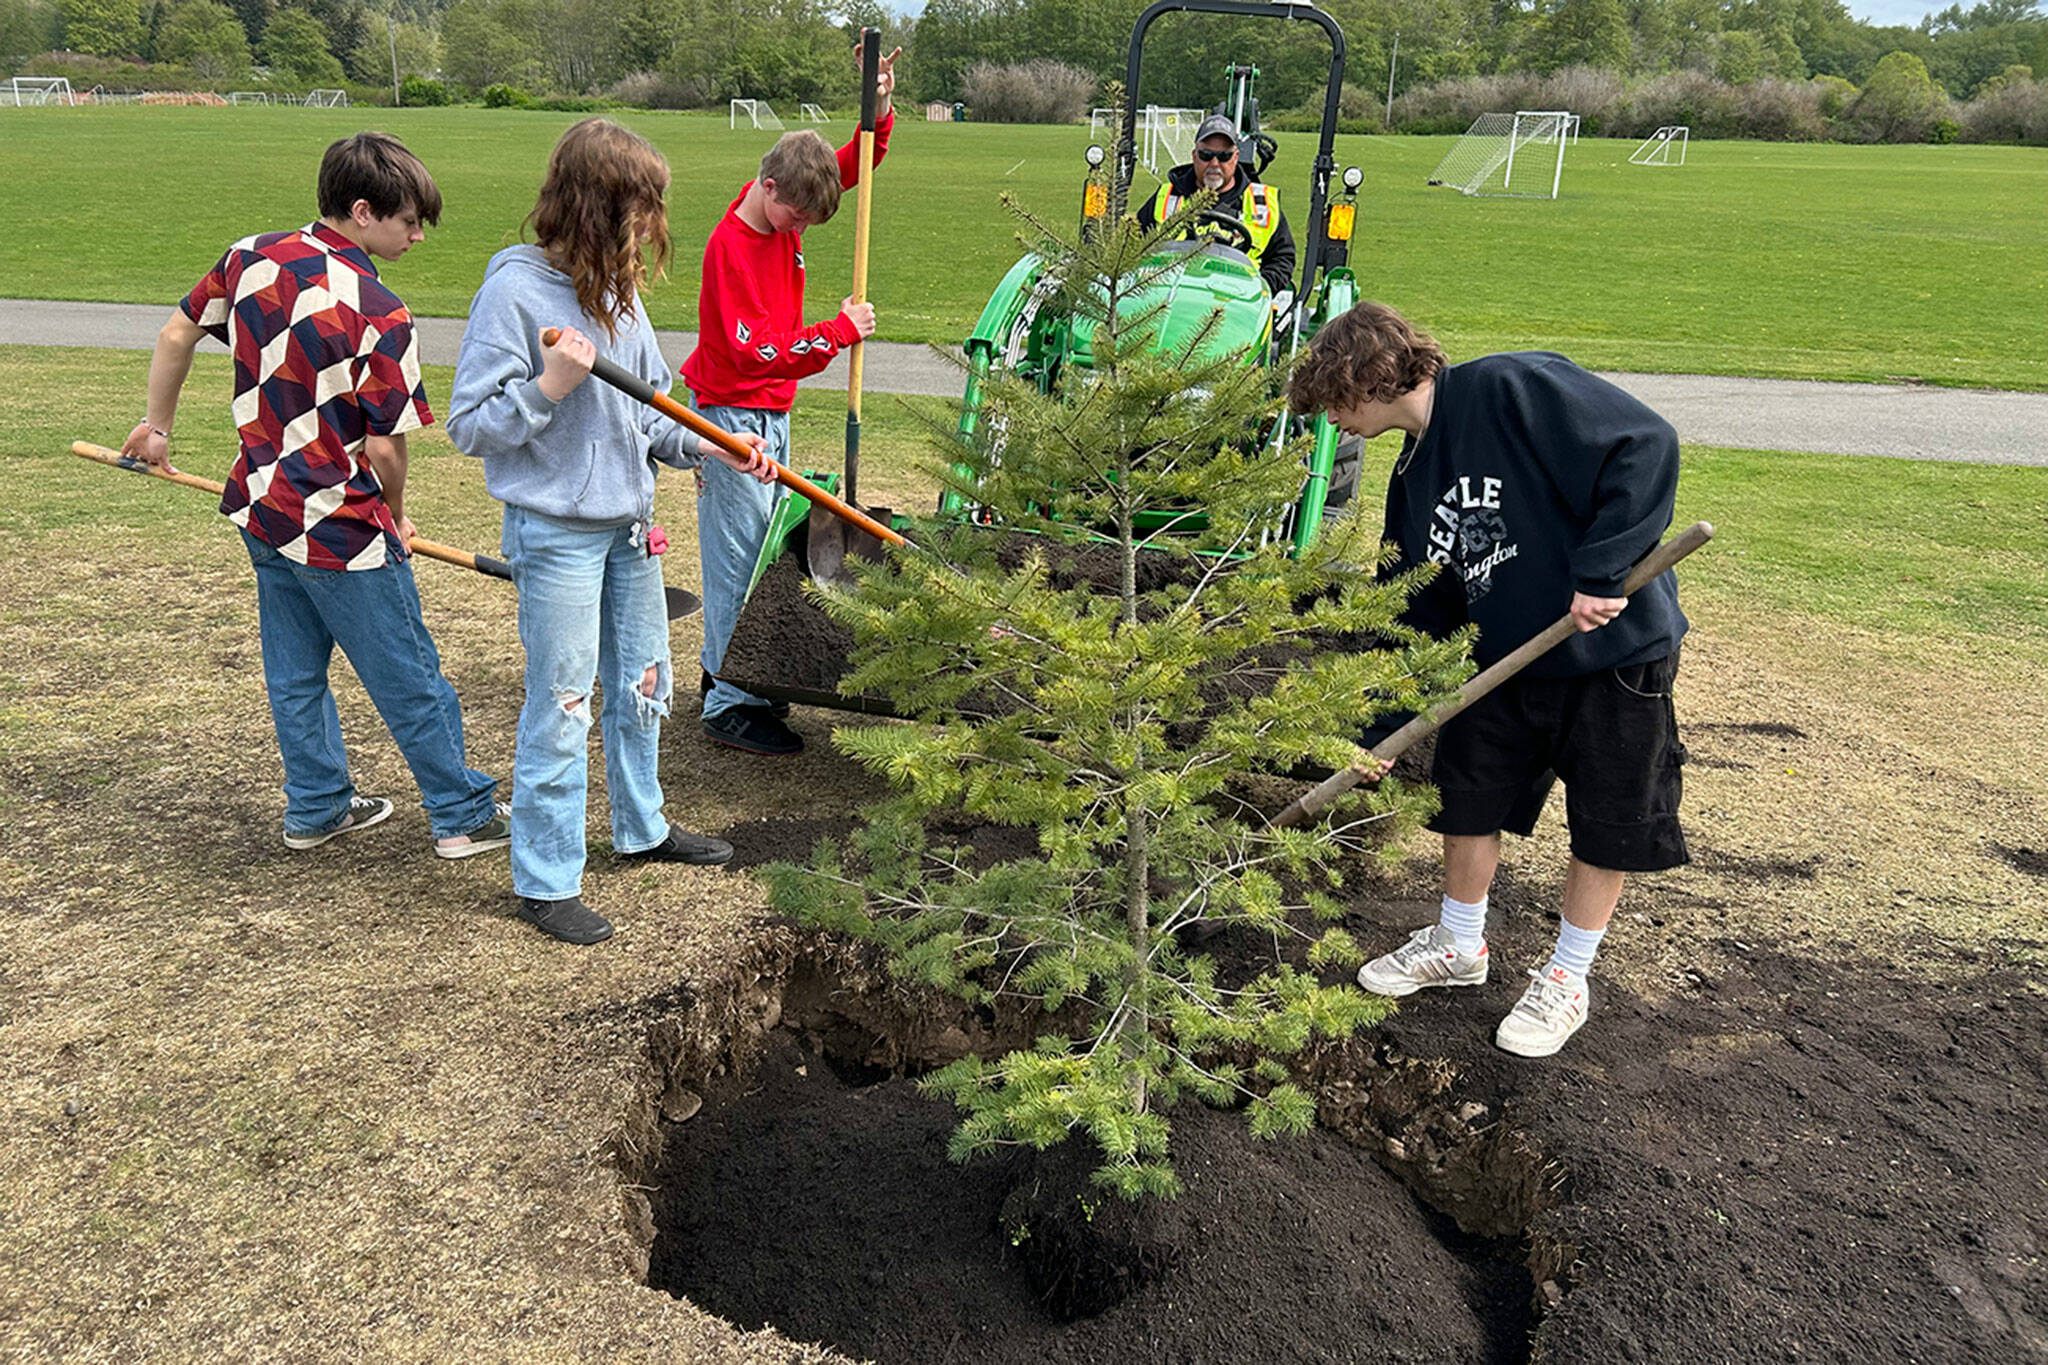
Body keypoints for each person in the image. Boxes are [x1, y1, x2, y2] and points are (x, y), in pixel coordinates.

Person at [1288, 301, 1690, 1058]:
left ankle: (1568, 977)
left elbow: (1644, 446)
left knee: (1608, 814)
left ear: (1369, 378)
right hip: (1501, 663)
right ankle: (1458, 943)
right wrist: (1379, 729)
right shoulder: (1411, 477)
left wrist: (1601, 571)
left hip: (1611, 650)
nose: (1330, 423)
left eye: (1333, 404)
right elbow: (1419, 615)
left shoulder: (1510, 388)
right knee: (1466, 796)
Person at [121, 132, 508, 861]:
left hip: (262, 509)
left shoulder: (248, 257)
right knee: (409, 673)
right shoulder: (382, 312)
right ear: (362, 211)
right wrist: (393, 519)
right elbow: (387, 445)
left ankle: (317, 806)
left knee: (295, 672)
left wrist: (157, 428)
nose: (418, 236)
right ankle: (461, 812)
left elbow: (177, 333)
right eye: (408, 221)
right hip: (339, 527)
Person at [448, 118, 776, 946]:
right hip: (554, 533)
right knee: (563, 702)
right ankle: (546, 877)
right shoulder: (515, 292)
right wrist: (549, 386)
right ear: (594, 206)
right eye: (637, 209)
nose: (648, 228)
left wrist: (717, 443)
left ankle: (644, 827)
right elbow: (471, 425)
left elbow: (654, 418)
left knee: (644, 686)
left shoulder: (619, 293)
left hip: (630, 528)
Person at [681, 43, 901, 757]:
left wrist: (880, 107)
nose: (803, 229)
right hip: (729, 417)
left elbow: (855, 163)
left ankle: (736, 675)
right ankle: (729, 702)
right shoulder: (731, 249)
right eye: (799, 218)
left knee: (758, 554)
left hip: (767, 415)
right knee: (738, 561)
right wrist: (838, 331)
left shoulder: (788, 199)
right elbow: (757, 351)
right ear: (769, 187)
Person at [1134, 113, 1296, 299]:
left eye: (1224, 156)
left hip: (1237, 301)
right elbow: (1134, 245)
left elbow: (1282, 259)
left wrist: (1258, 291)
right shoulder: (1167, 197)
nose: (1214, 163)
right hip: (1170, 298)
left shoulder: (1264, 203)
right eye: (1206, 155)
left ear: (1236, 157)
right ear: (1194, 156)